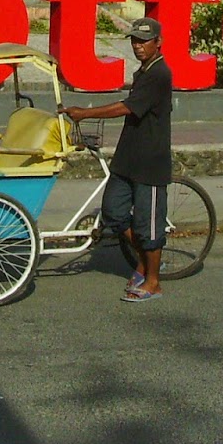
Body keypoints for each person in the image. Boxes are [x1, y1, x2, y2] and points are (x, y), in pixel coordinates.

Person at [66, 16, 173, 301]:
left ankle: (153, 282)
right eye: (135, 41)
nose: (138, 46)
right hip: (128, 158)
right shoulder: (143, 72)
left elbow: (126, 107)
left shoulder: (159, 74)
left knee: (148, 226)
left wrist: (85, 113)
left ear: (158, 43)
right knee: (113, 211)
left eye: (144, 41)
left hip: (150, 162)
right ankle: (144, 261)